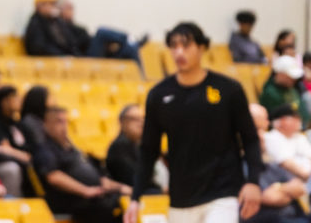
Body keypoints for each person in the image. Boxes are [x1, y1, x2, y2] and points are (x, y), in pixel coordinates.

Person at [127, 22, 262, 223]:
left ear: (201, 48)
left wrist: (253, 182)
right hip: (182, 197)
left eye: (186, 45)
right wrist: (135, 197)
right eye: (174, 46)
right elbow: (148, 150)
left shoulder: (228, 90)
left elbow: (250, 139)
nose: (179, 52)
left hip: (223, 193)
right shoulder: (158, 95)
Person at [32, 105, 126, 223]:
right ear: (46, 124)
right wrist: (85, 190)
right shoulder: (45, 149)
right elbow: (53, 177)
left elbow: (99, 177)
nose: (64, 127)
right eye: (59, 122)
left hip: (95, 195)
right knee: (109, 207)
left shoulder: (71, 148)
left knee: (129, 200)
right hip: (72, 200)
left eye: (66, 122)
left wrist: (122, 188)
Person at [106, 104, 160, 196]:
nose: (141, 123)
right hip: (131, 197)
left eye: (143, 118)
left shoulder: (137, 145)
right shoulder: (120, 147)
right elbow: (136, 180)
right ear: (123, 122)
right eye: (135, 119)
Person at [263, 105, 311, 180]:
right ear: (282, 121)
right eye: (294, 118)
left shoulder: (299, 136)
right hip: (290, 182)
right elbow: (288, 164)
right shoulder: (271, 138)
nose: (299, 120)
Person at [262, 57, 311, 129]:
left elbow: (304, 113)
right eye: (290, 76)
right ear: (280, 74)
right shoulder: (270, 93)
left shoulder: (292, 89)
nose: (293, 79)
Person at [18, 85, 51, 152]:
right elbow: (40, 144)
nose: (54, 101)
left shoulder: (42, 120)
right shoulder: (30, 121)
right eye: (49, 97)